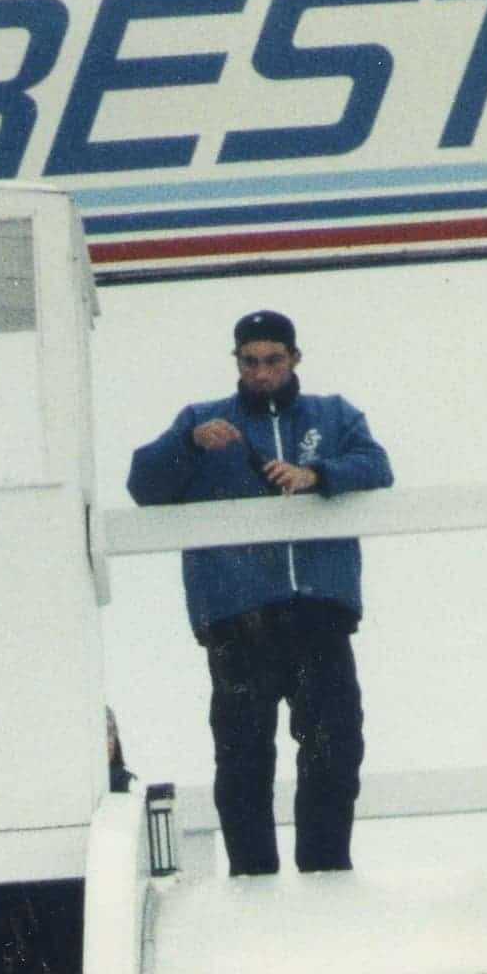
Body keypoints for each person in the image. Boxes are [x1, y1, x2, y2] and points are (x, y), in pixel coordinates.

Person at [126, 310, 392, 876]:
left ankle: (325, 871)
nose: (262, 372)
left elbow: (376, 464)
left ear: (295, 358)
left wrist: (316, 475)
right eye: (251, 362)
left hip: (318, 614)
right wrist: (190, 446)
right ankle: (252, 878)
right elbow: (144, 485)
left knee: (333, 747)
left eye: (273, 360)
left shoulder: (334, 415)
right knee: (244, 756)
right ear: (237, 364)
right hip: (236, 621)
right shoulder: (201, 420)